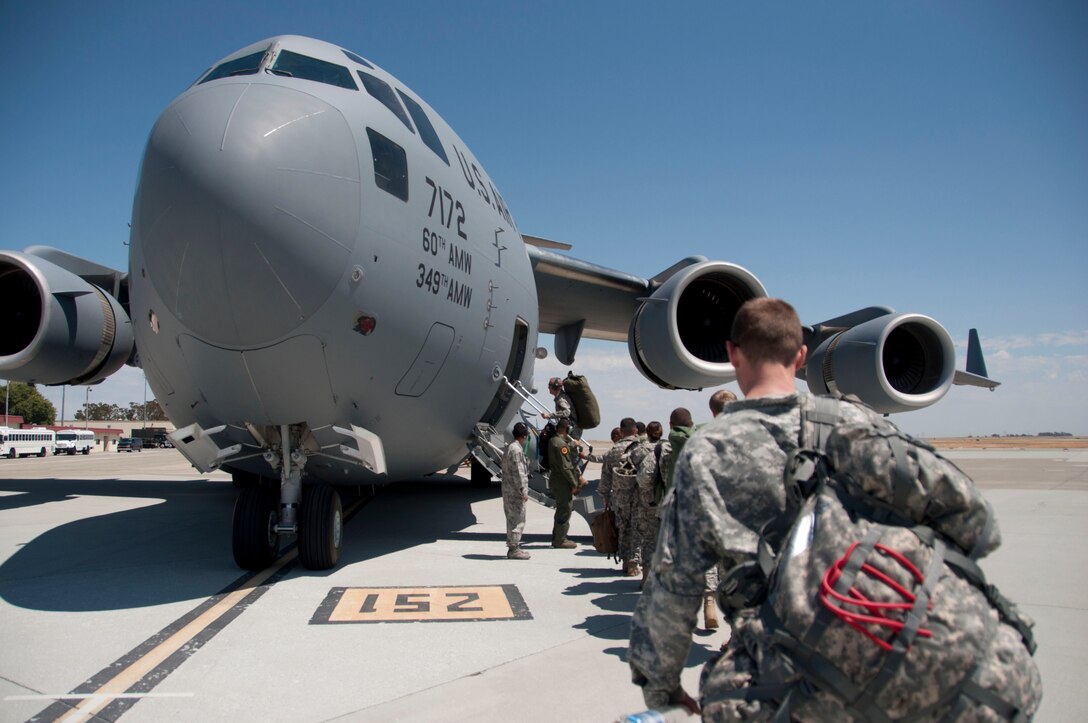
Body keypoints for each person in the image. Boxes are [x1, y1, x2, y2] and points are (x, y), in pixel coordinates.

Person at [628, 297, 1039, 719]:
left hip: (793, 676)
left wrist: (660, 687)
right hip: (920, 656)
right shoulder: (859, 424)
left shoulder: (709, 451)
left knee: (727, 690)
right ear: (802, 355)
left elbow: (675, 584)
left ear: (732, 354)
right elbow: (979, 525)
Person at [599, 417, 650, 576]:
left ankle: (625, 560)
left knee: (622, 528)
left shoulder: (613, 451)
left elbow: (606, 476)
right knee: (636, 529)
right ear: (635, 431)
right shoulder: (640, 448)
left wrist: (605, 496)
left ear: (621, 431)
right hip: (637, 495)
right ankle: (634, 563)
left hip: (619, 496)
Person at [634, 420, 665, 588]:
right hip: (669, 502)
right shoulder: (670, 448)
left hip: (649, 503)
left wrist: (647, 492)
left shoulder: (641, 449)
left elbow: (642, 477)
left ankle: (646, 579)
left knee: (649, 540)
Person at [547, 418, 585, 549]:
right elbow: (566, 467)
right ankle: (560, 539)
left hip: (557, 479)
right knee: (565, 509)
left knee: (561, 508)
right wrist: (574, 483)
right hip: (562, 481)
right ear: (565, 429)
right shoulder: (561, 444)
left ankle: (557, 536)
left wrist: (572, 444)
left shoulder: (555, 441)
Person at [501, 423, 531, 560]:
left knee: (510, 519)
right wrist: (523, 491)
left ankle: (512, 547)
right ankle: (514, 549)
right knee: (518, 519)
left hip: (507, 490)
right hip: (515, 491)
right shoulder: (517, 450)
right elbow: (519, 473)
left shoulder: (508, 448)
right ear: (524, 436)